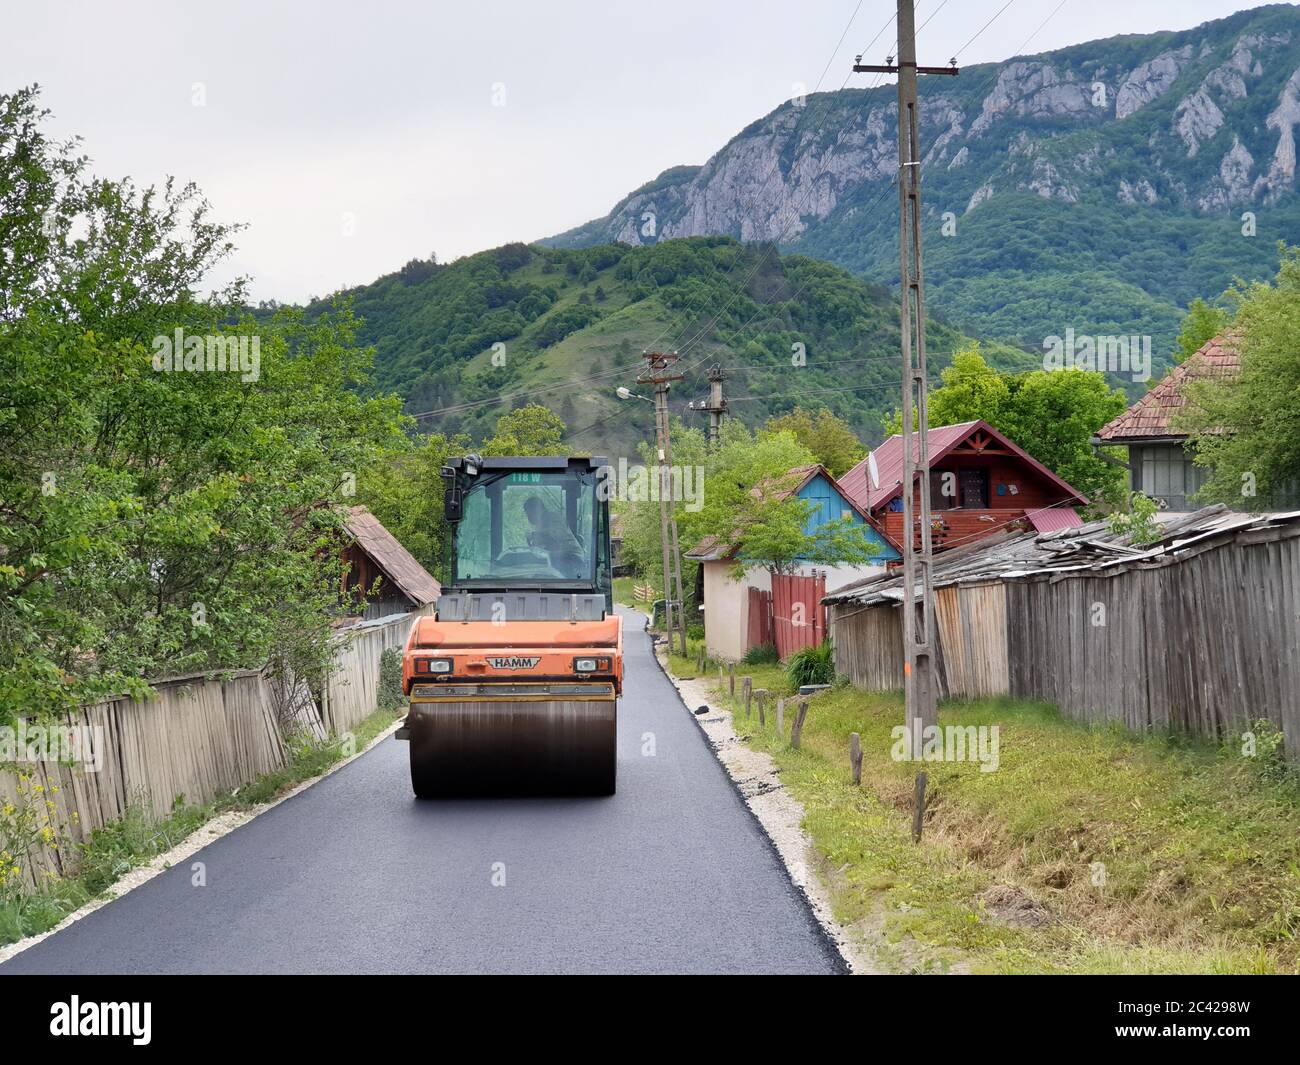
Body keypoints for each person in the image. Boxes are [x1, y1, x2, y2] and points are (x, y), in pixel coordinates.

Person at [522, 496, 583, 575]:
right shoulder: (540, 524)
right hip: (557, 558)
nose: (528, 517)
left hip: (571, 557)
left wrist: (534, 534)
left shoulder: (552, 517)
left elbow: (557, 532)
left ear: (537, 510)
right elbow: (541, 548)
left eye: (529, 514)